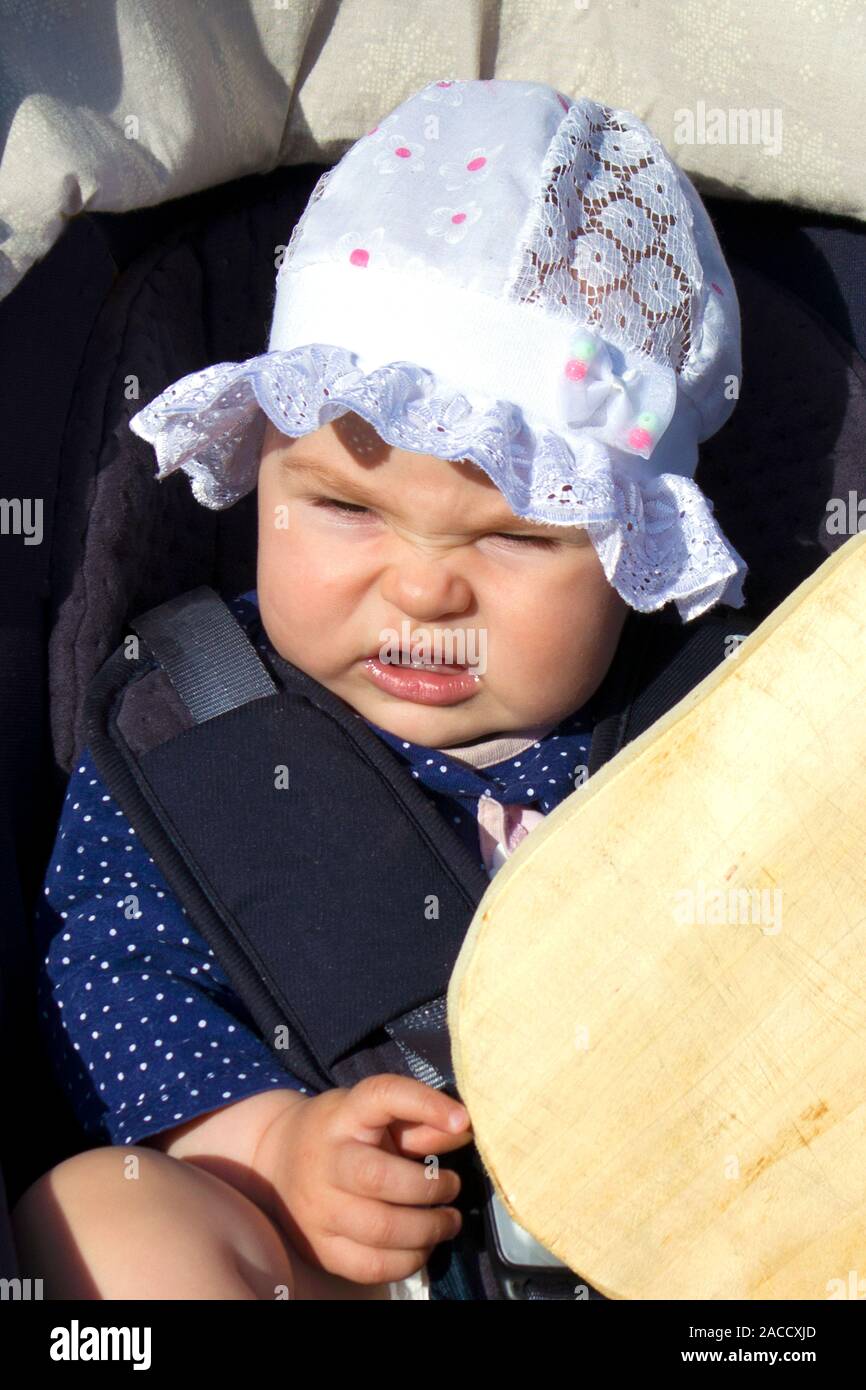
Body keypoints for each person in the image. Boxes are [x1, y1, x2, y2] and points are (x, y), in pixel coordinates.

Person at [11, 78, 747, 1300]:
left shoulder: (708, 726)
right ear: (262, 475)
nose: (421, 592)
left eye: (510, 541)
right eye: (345, 508)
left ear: (631, 556)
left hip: (676, 1244)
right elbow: (112, 980)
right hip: (332, 1258)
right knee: (94, 1218)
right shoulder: (195, 720)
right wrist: (265, 1146)